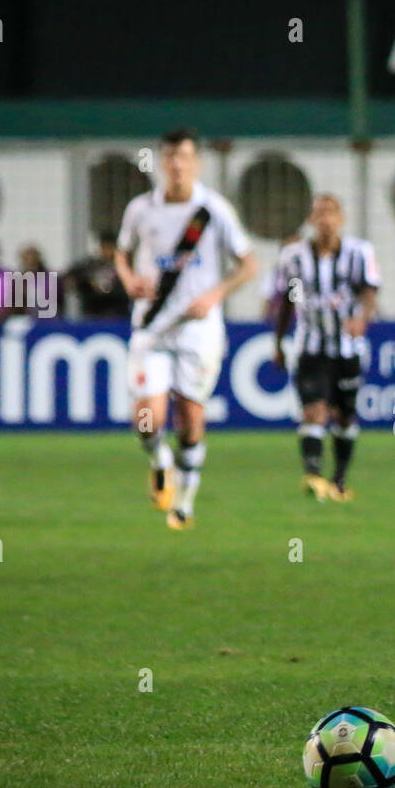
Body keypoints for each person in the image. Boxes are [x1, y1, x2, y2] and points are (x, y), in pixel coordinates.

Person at [115, 128, 258, 530]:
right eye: (170, 157)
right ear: (162, 161)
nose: (177, 164)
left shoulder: (214, 210)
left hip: (198, 331)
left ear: (195, 163)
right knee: (148, 417)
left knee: (191, 418)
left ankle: (184, 505)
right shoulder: (141, 209)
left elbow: (248, 264)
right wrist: (128, 280)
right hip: (151, 325)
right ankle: (159, 459)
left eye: (184, 157)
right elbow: (121, 256)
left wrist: (215, 294)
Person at [270, 195, 379, 501]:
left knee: (344, 416)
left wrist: (361, 318)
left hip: (348, 349)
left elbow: (370, 291)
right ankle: (313, 476)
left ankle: (339, 480)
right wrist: (278, 341)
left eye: (330, 213)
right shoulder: (294, 256)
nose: (325, 220)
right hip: (310, 347)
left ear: (341, 218)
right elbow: (287, 301)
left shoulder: (359, 253)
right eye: (319, 214)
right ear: (310, 220)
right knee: (314, 411)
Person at [65, 232, 130, 319]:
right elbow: (70, 277)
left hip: (117, 314)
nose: (107, 252)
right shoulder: (90, 266)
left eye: (110, 248)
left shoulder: (123, 267)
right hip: (92, 313)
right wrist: (88, 283)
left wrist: (112, 288)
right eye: (104, 248)